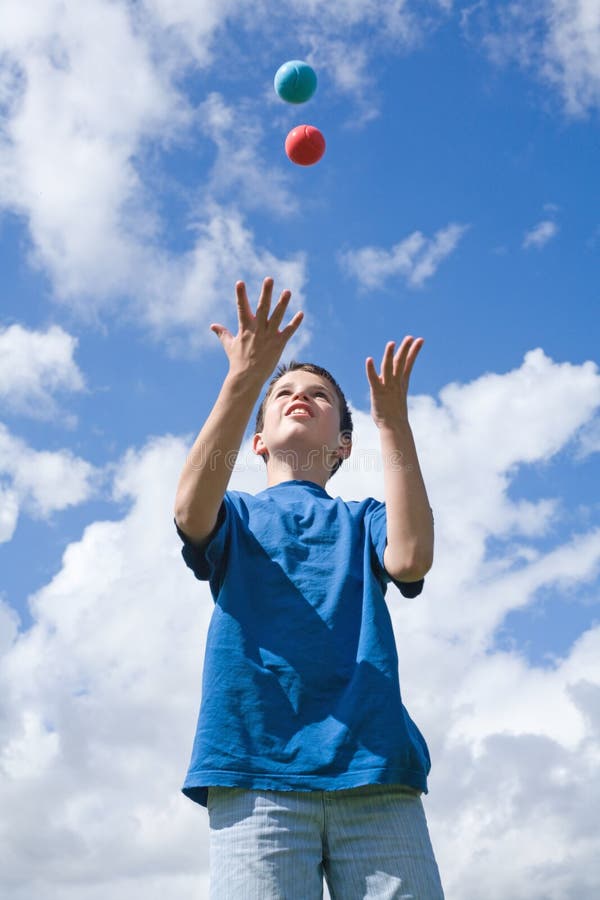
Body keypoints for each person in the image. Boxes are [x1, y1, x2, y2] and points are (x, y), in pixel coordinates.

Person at [174, 278, 444, 899]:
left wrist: (394, 424)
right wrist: (244, 379)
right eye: (285, 392)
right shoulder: (235, 514)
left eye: (320, 395)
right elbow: (190, 509)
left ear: (344, 443)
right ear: (259, 439)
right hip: (254, 769)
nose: (301, 397)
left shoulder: (364, 519)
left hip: (374, 771)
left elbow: (409, 558)